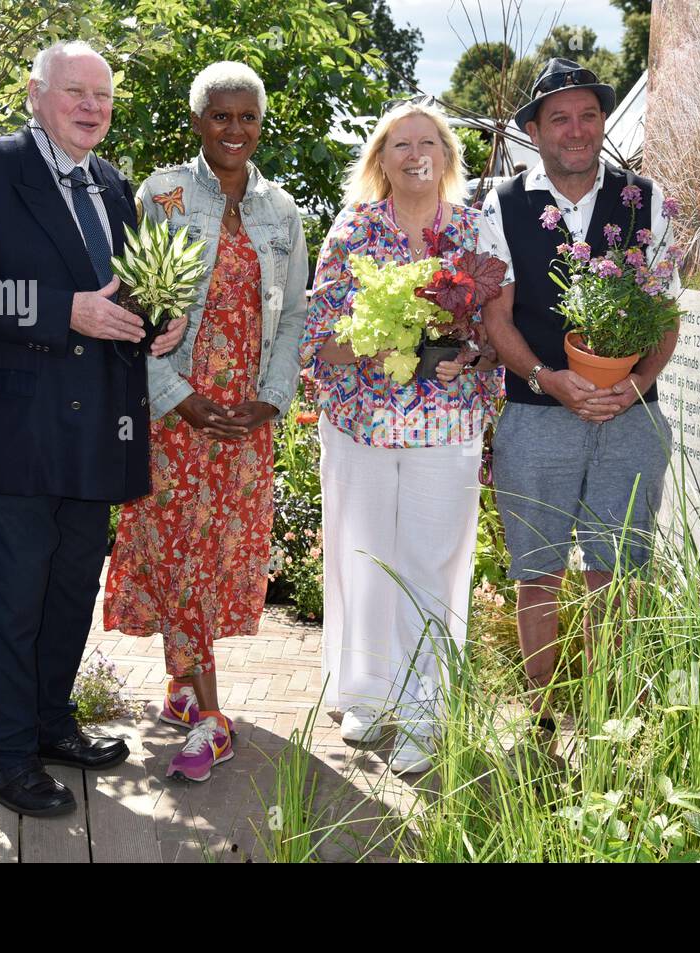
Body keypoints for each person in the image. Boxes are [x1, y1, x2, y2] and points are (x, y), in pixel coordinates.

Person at [0, 40, 187, 817]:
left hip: (96, 429)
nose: (92, 108)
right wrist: (62, 310)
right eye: (76, 92)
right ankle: (3, 756)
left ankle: (49, 724)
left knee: (69, 590)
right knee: (8, 598)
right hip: (9, 431)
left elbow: (124, 294)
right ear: (37, 94)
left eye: (103, 96)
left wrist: (153, 327)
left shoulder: (114, 185)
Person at [103, 62, 308, 782]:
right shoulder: (162, 197)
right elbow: (136, 313)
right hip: (178, 414)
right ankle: (213, 716)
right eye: (220, 116)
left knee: (216, 551)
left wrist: (272, 400)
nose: (235, 130)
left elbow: (295, 322)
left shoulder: (282, 212)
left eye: (247, 117)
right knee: (182, 547)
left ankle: (184, 685)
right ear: (197, 122)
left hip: (245, 420)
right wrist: (176, 395)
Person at [478, 58, 681, 727]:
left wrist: (635, 384)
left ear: (602, 121)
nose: (576, 129)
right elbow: (496, 318)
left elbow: (667, 315)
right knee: (536, 573)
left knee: (616, 574)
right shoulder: (504, 204)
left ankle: (605, 721)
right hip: (538, 415)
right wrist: (547, 379)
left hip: (630, 417)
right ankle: (540, 720)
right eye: (558, 117)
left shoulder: (644, 199)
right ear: (534, 130)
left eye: (589, 114)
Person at [303, 102, 503, 774]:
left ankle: (423, 710)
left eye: (428, 142)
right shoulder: (353, 228)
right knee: (363, 553)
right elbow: (318, 341)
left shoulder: (476, 230)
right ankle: (364, 693)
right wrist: (369, 342)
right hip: (362, 424)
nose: (415, 153)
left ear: (446, 156)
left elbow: (498, 333)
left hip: (445, 428)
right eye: (399, 144)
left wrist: (472, 354)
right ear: (380, 161)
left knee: (431, 562)